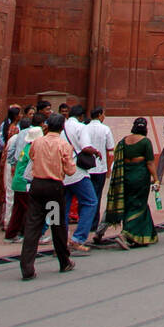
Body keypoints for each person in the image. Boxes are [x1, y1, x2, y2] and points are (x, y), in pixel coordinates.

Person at [19, 113, 76, 279]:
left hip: (37, 186)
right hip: (54, 188)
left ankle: (27, 267)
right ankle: (64, 261)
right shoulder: (63, 145)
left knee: (33, 225)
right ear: (62, 128)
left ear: (47, 126)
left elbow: (32, 157)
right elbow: (70, 170)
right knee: (57, 225)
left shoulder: (37, 142)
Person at [96, 118, 159, 248]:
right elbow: (150, 163)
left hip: (125, 177)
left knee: (129, 203)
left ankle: (143, 235)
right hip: (140, 177)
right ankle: (125, 234)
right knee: (138, 205)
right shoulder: (145, 142)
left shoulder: (123, 141)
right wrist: (156, 178)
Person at [61, 106, 101, 253]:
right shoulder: (80, 127)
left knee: (63, 207)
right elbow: (85, 147)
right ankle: (78, 238)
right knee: (91, 201)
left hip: (61, 172)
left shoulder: (61, 125)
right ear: (81, 116)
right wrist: (95, 152)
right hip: (76, 172)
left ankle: (61, 240)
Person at [5, 115, 44, 240]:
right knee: (30, 210)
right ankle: (30, 235)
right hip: (24, 183)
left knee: (18, 210)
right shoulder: (32, 150)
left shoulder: (26, 147)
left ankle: (12, 234)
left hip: (18, 182)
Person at [85, 106, 115, 232]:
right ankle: (93, 223)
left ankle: (85, 221)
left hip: (85, 168)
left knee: (85, 196)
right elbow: (110, 147)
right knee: (96, 196)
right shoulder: (105, 129)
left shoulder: (84, 128)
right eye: (103, 114)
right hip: (100, 168)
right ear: (99, 115)